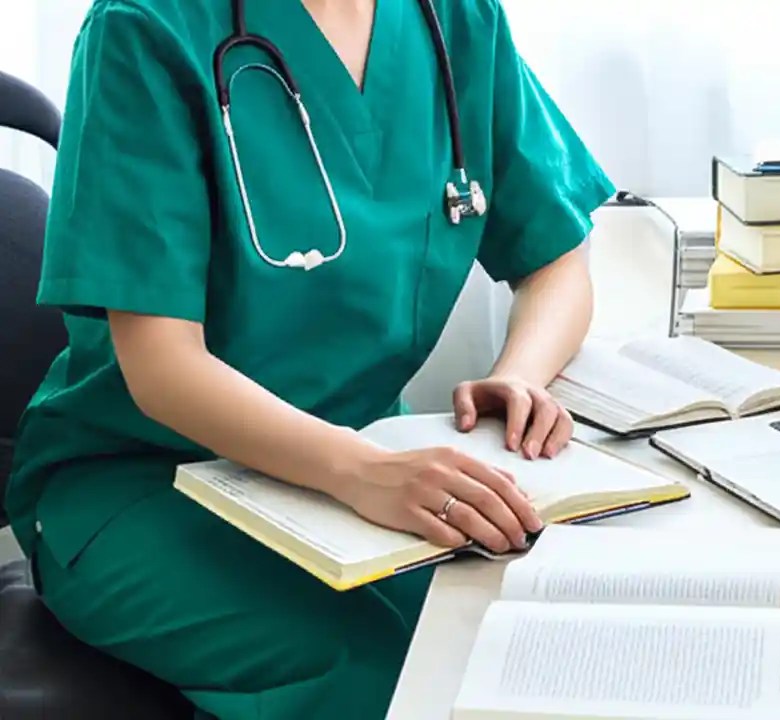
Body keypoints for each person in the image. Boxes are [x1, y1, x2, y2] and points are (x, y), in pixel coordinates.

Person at [4, 0, 614, 717]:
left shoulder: (455, 20)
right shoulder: (144, 27)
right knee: (383, 676)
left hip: (357, 468)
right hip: (141, 484)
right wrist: (363, 472)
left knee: (515, 634)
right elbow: (162, 368)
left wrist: (519, 375)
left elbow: (556, 260)